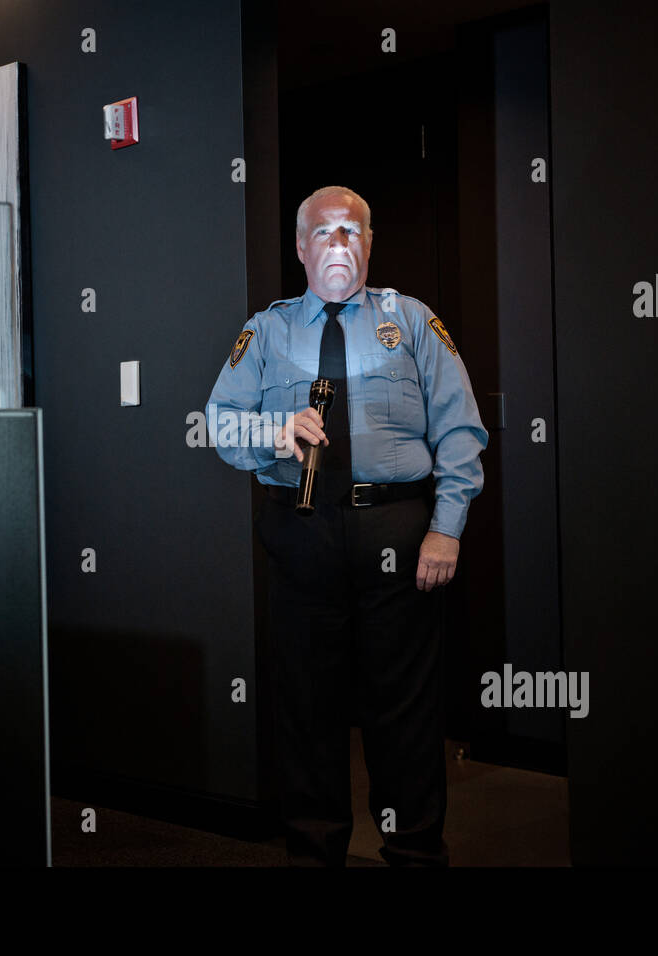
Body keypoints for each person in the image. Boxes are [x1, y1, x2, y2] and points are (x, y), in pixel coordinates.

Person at [206, 185, 488, 866]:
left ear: (368, 244)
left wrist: (447, 527)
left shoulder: (412, 321)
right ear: (302, 248)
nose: (338, 242)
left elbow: (459, 428)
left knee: (405, 712)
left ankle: (416, 851)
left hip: (397, 532)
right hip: (301, 537)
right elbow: (217, 424)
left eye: (351, 230)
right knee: (306, 712)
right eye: (324, 231)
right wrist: (276, 430)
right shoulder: (267, 332)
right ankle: (314, 851)